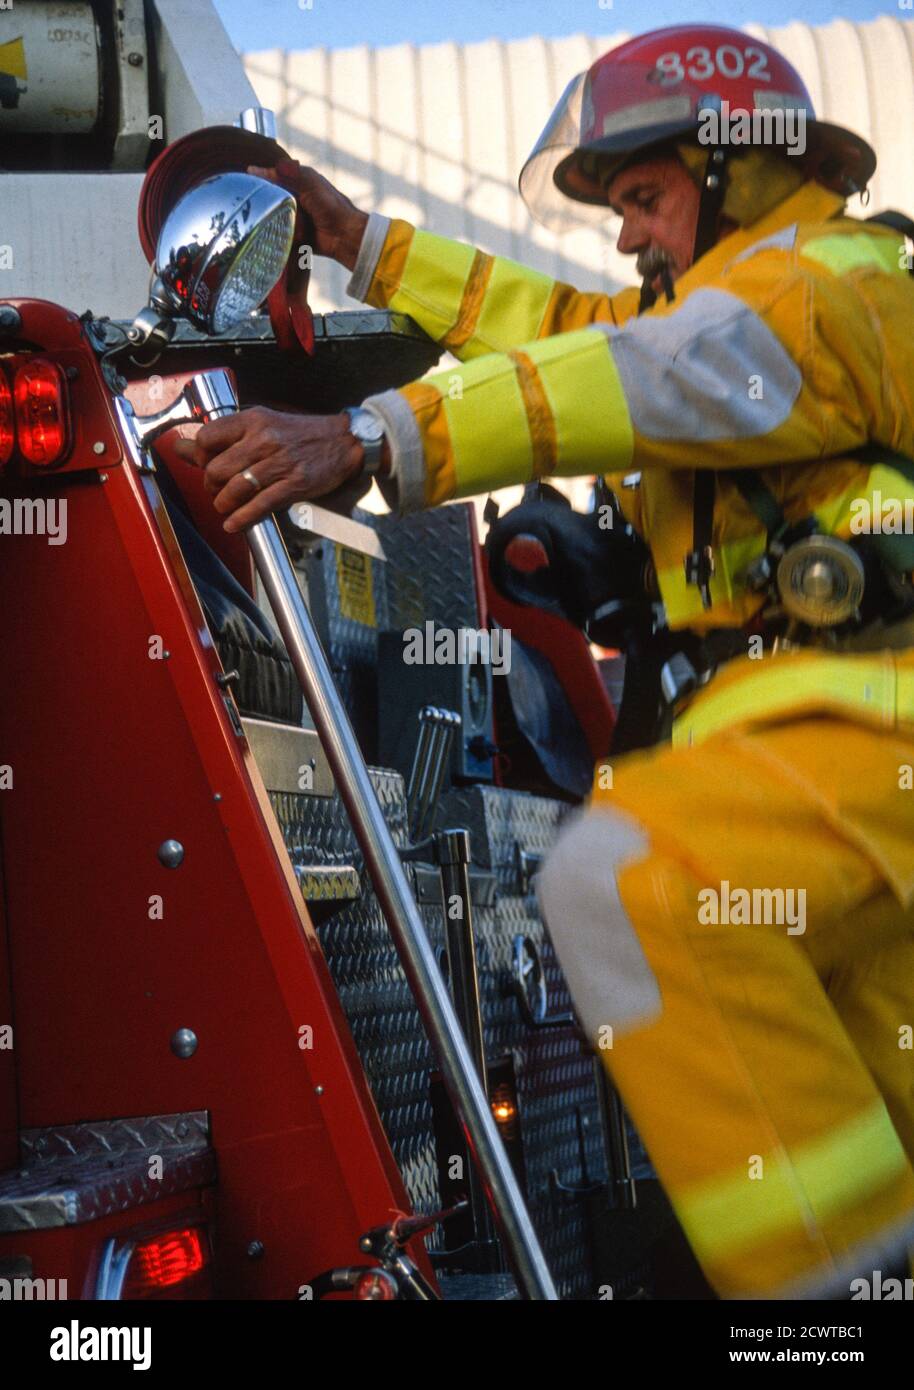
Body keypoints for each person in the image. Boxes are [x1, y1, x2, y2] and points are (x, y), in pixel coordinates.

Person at [173, 24, 914, 1298]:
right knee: (867, 1088)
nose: (625, 235)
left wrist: (369, 434)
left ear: (733, 168)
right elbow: (561, 326)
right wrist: (365, 246)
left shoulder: (820, 283)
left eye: (642, 196)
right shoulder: (745, 292)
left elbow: (627, 367)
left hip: (867, 725)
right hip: (836, 765)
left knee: (629, 883)